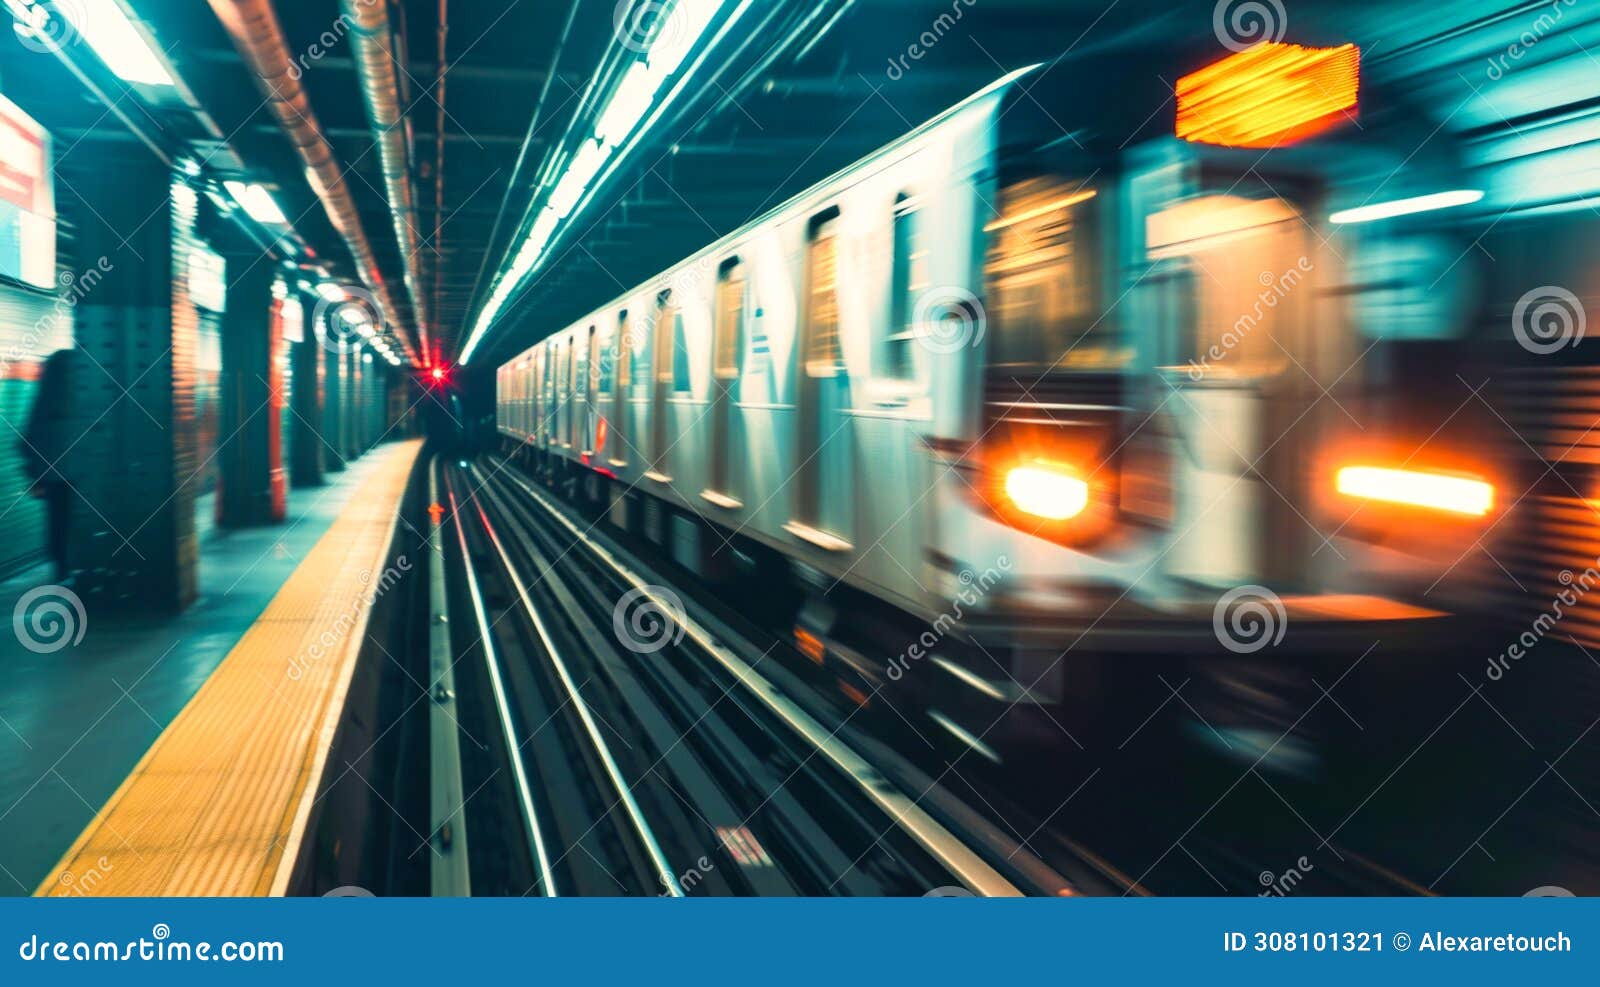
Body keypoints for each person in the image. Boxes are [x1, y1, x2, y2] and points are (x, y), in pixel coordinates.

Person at [21, 348, 78, 582]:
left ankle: (62, 570)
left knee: (57, 523)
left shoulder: (44, 400)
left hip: (54, 477)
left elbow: (27, 439)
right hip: (80, 477)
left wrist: (34, 475)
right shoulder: (83, 401)